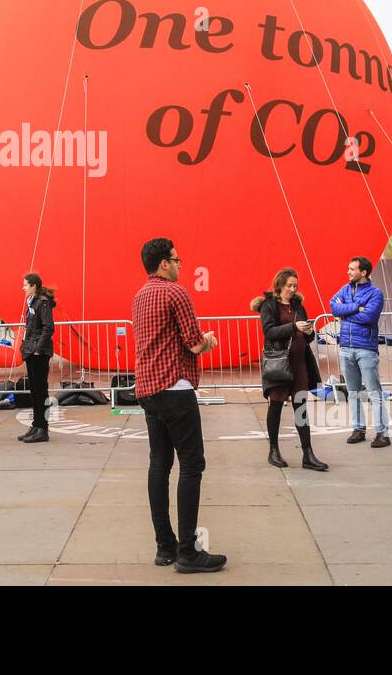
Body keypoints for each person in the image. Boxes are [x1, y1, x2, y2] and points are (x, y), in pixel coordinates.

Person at [130, 237, 226, 574]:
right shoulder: (176, 292)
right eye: (176, 259)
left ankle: (164, 546)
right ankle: (188, 551)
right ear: (164, 264)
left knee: (159, 464)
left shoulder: (140, 296)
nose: (180, 264)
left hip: (147, 389)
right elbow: (194, 342)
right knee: (192, 464)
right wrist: (210, 341)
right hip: (175, 387)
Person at [255, 268, 327, 471]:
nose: (292, 289)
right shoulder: (269, 306)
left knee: (301, 406)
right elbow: (269, 332)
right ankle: (274, 450)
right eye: (289, 285)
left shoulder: (298, 306)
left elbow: (305, 334)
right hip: (279, 362)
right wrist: (294, 327)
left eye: (295, 285)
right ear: (279, 285)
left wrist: (309, 331)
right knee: (276, 405)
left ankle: (308, 453)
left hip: (300, 362)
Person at [330, 256, 388, 447]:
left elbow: (369, 316)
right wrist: (355, 307)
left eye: (352, 269)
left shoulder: (375, 293)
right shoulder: (345, 289)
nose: (348, 272)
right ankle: (358, 428)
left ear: (363, 272)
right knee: (353, 391)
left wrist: (345, 315)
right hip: (346, 347)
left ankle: (382, 432)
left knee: (373, 391)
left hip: (365, 348)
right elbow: (333, 307)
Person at [18, 273, 56, 443]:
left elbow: (48, 328)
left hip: (38, 352)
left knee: (41, 391)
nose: (23, 288)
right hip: (30, 350)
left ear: (34, 285)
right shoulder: (32, 301)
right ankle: (36, 424)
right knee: (34, 391)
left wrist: (38, 349)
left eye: (26, 285)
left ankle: (43, 428)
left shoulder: (43, 302)